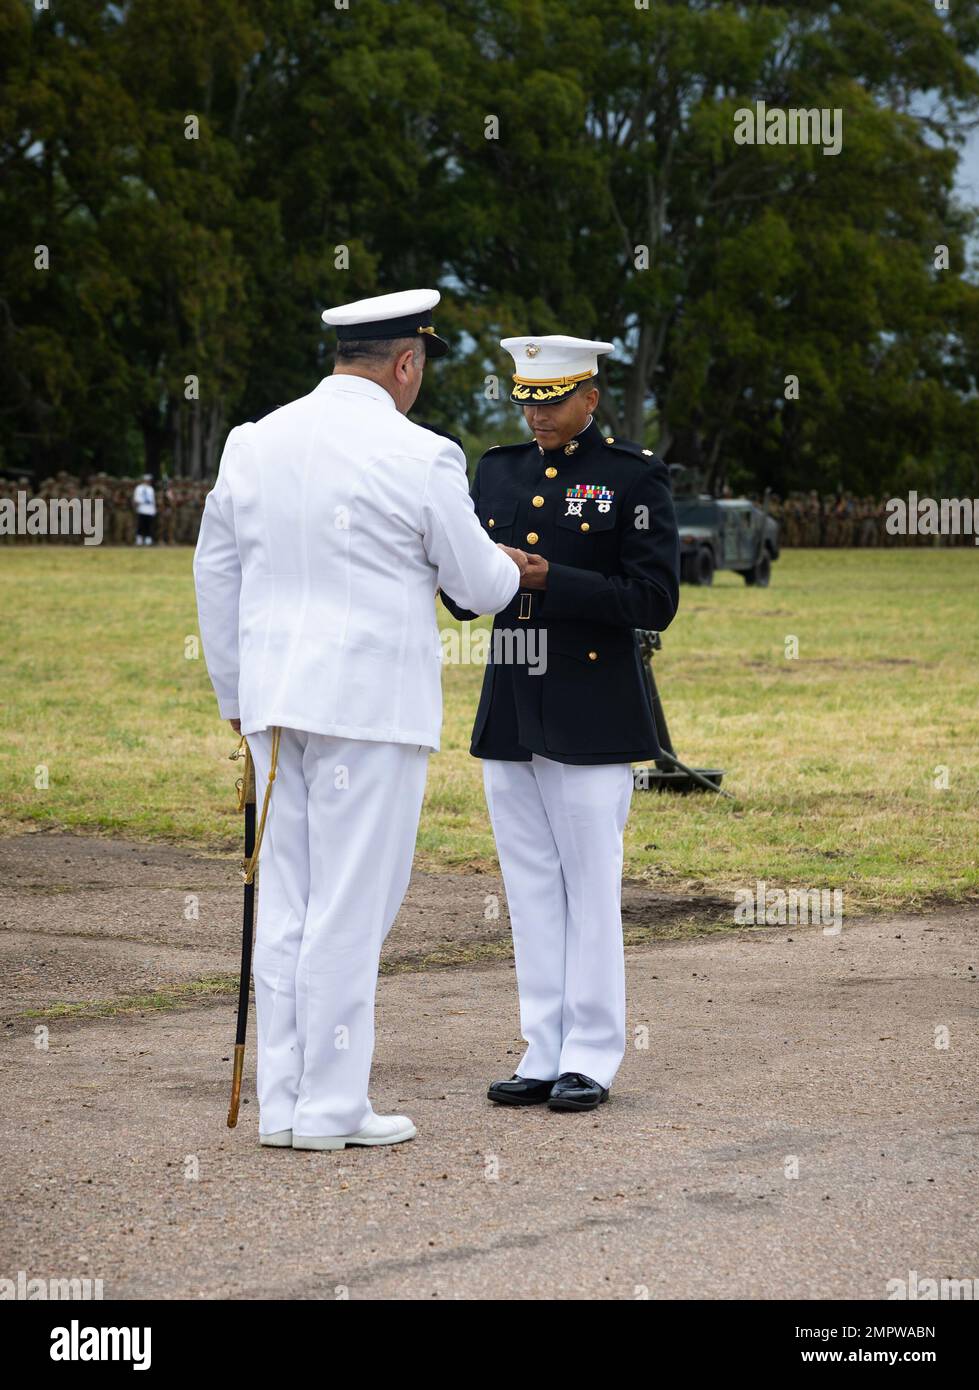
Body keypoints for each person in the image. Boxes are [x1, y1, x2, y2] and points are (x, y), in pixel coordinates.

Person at [193, 289, 525, 1151]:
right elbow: (479, 586)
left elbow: (215, 575)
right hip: (370, 711)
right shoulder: (422, 454)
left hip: (274, 705)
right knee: (350, 906)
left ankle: (286, 1103)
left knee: (289, 904)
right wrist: (511, 566)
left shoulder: (253, 442)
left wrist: (237, 697)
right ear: (406, 363)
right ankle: (332, 1108)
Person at [440, 335, 679, 1112]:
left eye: (552, 398)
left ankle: (592, 1054)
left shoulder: (631, 476)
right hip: (513, 700)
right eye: (527, 399)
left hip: (593, 705)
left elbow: (652, 600)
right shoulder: (497, 469)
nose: (537, 413)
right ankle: (542, 1046)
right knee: (531, 886)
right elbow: (464, 584)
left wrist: (557, 580)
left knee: (590, 886)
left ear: (590, 397)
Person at [133, 473, 157, 545]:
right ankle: (139, 540)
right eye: (147, 480)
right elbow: (136, 498)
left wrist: (154, 509)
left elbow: (153, 500)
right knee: (141, 525)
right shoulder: (139, 488)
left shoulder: (151, 489)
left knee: (149, 525)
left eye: (149, 480)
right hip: (141, 509)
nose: (148, 481)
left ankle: (148, 540)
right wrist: (138, 504)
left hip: (149, 510)